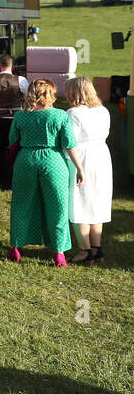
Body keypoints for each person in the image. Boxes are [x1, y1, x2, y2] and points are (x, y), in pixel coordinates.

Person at [8, 79, 84, 267]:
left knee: (21, 203)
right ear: (50, 95)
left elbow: (12, 142)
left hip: (25, 160)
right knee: (57, 206)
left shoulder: (20, 116)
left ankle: (15, 247)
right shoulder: (60, 116)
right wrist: (80, 168)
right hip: (53, 162)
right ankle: (59, 252)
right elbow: (69, 145)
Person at [64, 76, 110, 264]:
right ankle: (96, 248)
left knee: (79, 202)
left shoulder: (73, 113)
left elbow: (70, 142)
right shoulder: (103, 110)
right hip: (101, 156)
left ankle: (85, 250)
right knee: (96, 201)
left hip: (82, 158)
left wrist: (77, 166)